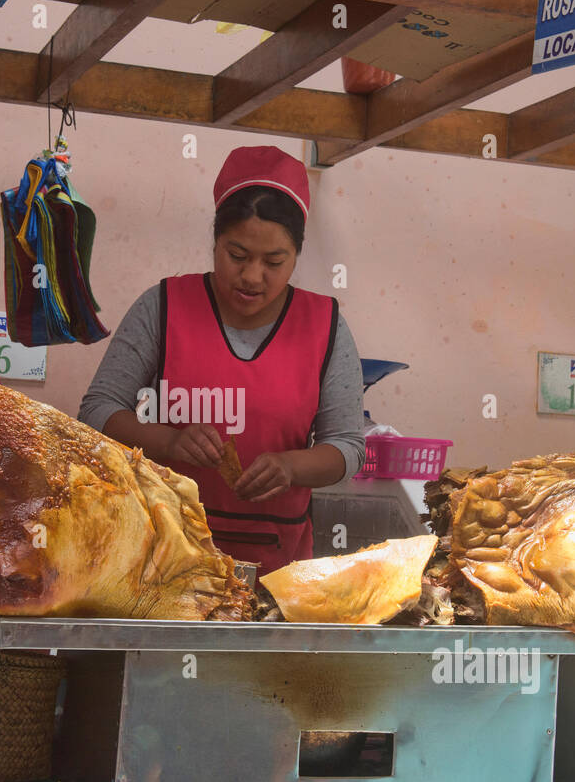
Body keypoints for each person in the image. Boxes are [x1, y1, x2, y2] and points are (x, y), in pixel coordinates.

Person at [79, 145, 364, 575]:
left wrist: (291, 466)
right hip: (164, 557)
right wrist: (169, 442)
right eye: (236, 255)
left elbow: (348, 447)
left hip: (277, 567)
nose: (252, 276)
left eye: (273, 261)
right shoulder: (164, 306)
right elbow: (96, 412)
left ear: (296, 256)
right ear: (215, 241)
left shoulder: (325, 325)